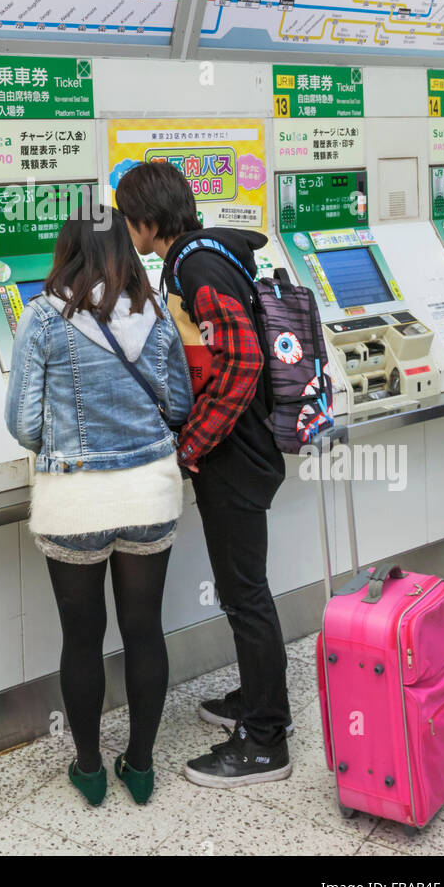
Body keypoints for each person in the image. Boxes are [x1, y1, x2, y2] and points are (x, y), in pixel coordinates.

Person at [5, 205, 193, 807]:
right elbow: (180, 404)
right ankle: (139, 766)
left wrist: (63, 444)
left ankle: (88, 768)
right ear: (124, 251)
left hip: (76, 499)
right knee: (144, 631)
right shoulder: (156, 315)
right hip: (149, 494)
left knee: (81, 639)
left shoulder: (42, 320)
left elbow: (23, 424)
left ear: (70, 248)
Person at [115, 159, 293, 787]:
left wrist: (193, 445)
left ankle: (268, 738)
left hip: (234, 456)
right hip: (244, 448)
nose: (122, 227)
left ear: (145, 220)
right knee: (244, 588)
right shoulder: (212, 250)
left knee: (245, 593)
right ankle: (258, 699)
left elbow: (242, 362)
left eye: (125, 215)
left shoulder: (194, 265)